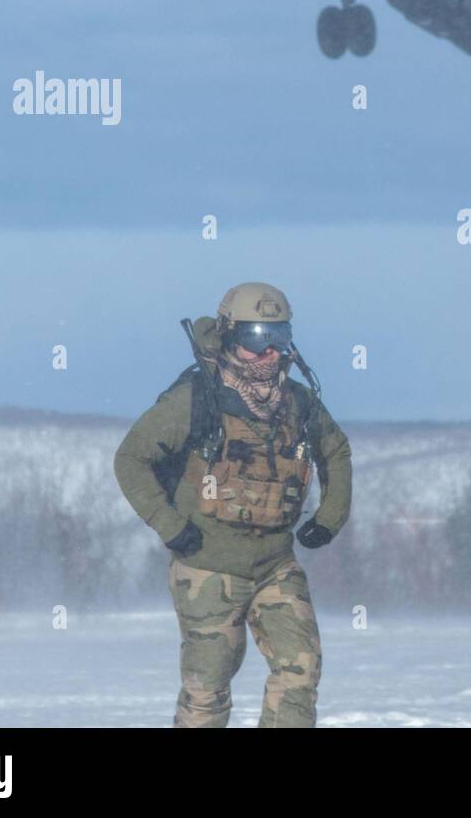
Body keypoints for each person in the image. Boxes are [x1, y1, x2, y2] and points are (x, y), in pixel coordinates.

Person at [114, 282, 351, 727]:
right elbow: (131, 458)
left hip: (276, 564)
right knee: (207, 689)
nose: (270, 353)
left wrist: (330, 518)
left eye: (279, 337)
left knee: (300, 670)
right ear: (229, 336)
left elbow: (335, 450)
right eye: (256, 339)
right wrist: (169, 525)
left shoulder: (298, 403)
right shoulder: (195, 398)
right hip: (207, 565)